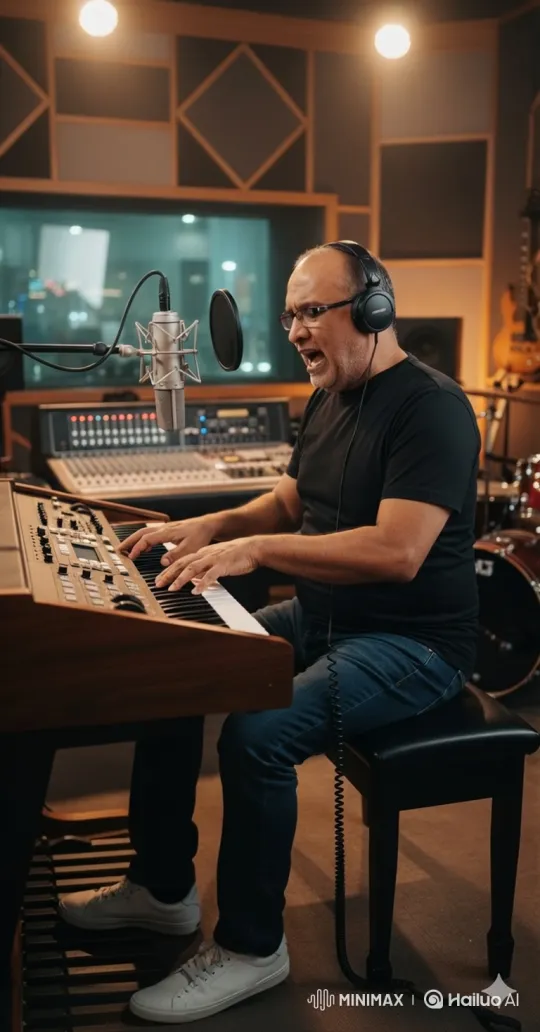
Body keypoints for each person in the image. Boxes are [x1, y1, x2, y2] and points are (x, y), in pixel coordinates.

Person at [59, 242, 481, 1024]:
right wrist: (208, 524)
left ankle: (254, 949)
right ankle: (162, 889)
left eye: (311, 312)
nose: (293, 330)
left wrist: (254, 551)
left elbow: (397, 551)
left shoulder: (432, 409)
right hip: (325, 618)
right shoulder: (329, 395)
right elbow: (288, 503)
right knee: (179, 663)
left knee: (258, 732)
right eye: (289, 314)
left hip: (414, 644)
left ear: (375, 308)